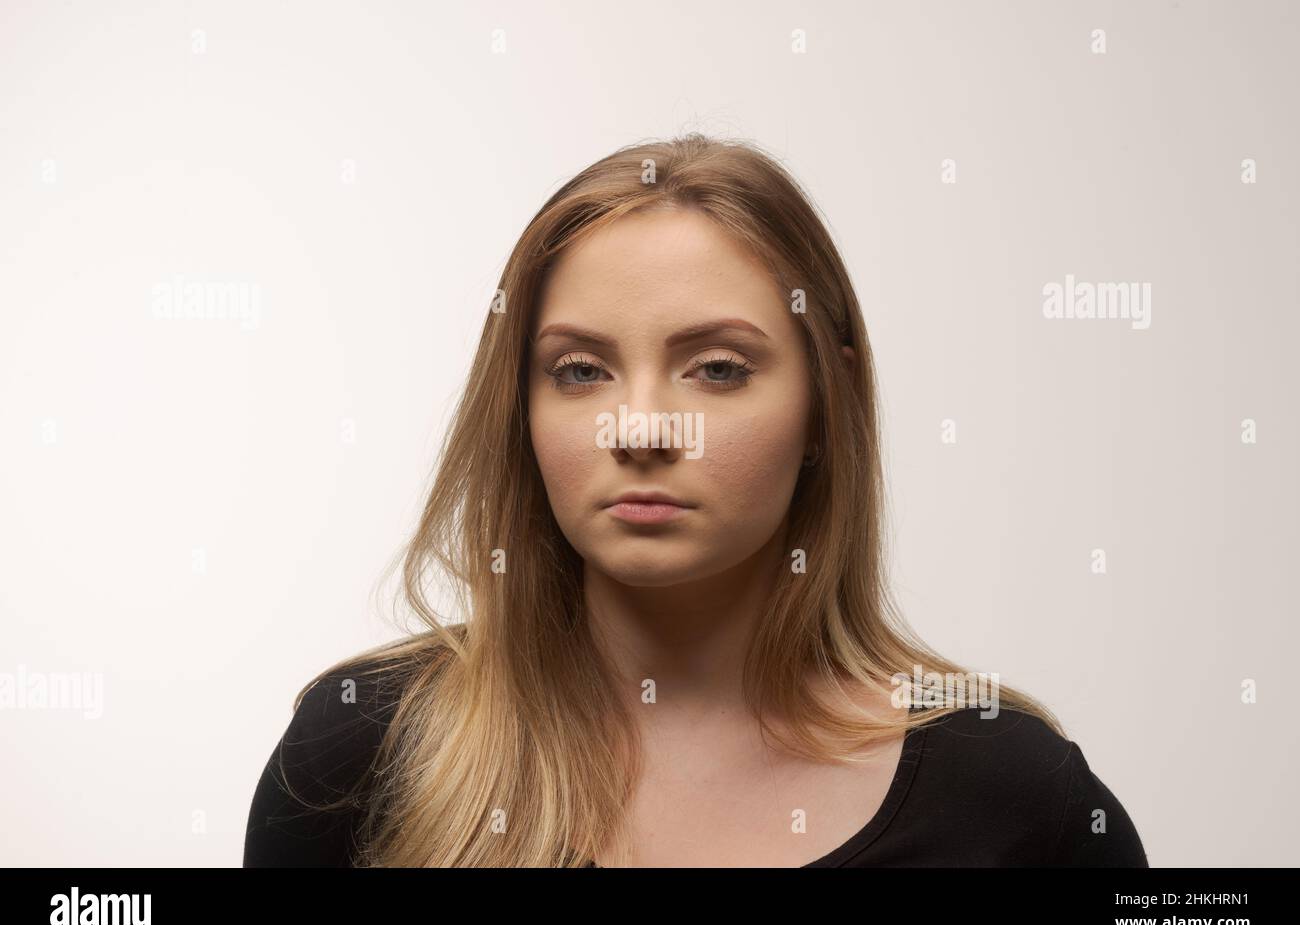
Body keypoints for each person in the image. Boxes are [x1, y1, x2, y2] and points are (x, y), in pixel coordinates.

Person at [244, 134, 1148, 868]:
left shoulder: (1015, 798)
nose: (636, 429)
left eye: (718, 368)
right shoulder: (360, 754)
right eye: (580, 370)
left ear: (825, 408)